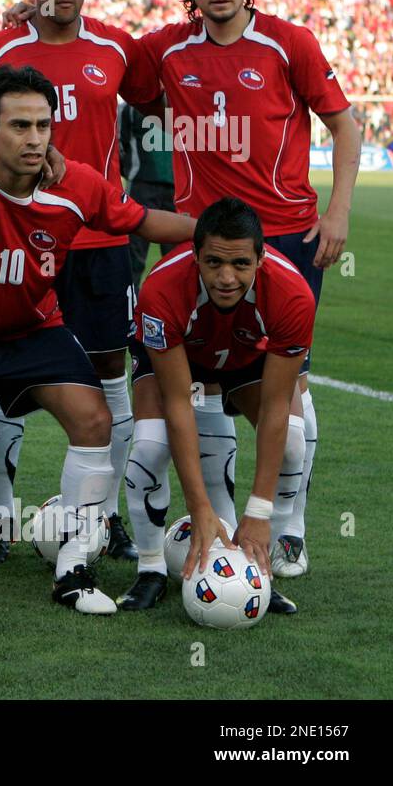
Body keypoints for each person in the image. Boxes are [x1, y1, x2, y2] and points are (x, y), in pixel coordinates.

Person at [0, 65, 194, 616]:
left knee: (94, 419)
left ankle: (74, 568)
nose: (35, 139)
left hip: (33, 327)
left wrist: (213, 229)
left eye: (43, 126)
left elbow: (144, 222)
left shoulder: (74, 183)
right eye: (19, 126)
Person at [134, 0, 360, 579]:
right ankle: (224, 522)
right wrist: (32, 16)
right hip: (196, 239)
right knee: (203, 377)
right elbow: (98, 57)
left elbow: (345, 123)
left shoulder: (289, 43)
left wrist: (337, 211)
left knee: (287, 384)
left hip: (286, 231)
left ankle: (286, 525)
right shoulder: (167, 51)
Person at [0, 0, 162, 569]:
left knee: (111, 379)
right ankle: (2, 518)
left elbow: (161, 96)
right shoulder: (0, 49)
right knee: (9, 374)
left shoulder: (116, 49)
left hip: (101, 242)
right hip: (17, 237)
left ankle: (108, 518)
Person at [119, 197, 311, 615]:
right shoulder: (162, 289)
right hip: (183, 357)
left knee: (295, 439)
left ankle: (258, 560)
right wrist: (199, 508)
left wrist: (258, 511)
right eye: (213, 263)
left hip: (247, 357)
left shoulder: (293, 293)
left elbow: (276, 407)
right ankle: (151, 568)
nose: (226, 278)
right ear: (194, 256)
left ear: (261, 257)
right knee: (150, 447)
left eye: (241, 264)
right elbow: (178, 403)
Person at [118, 101, 175, 288]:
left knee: (178, 259)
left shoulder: (183, 102)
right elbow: (120, 147)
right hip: (143, 187)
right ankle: (130, 307)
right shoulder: (131, 108)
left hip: (175, 190)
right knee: (133, 257)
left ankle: (178, 311)